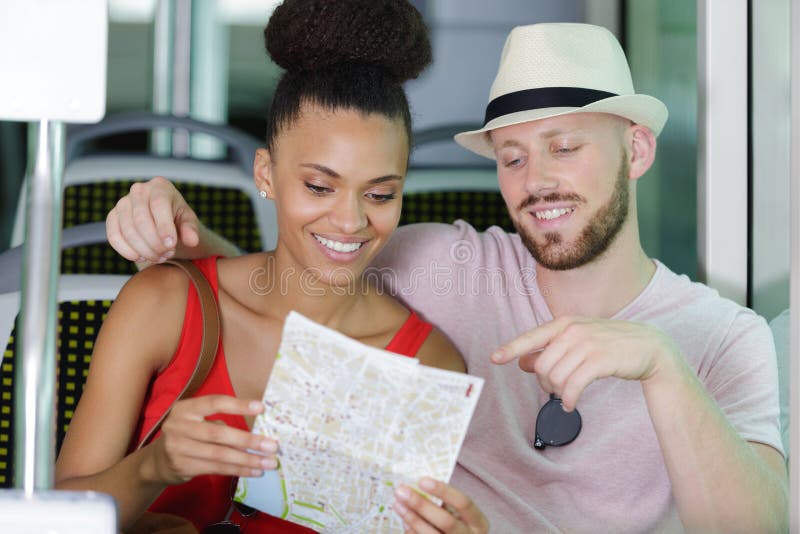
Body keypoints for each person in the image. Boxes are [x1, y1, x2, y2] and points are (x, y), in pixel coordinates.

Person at [106, 22, 788, 532]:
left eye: (566, 147)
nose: (538, 180)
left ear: (635, 149)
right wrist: (181, 236)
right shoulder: (439, 263)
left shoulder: (725, 336)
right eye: (512, 157)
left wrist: (662, 366)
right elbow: (309, 267)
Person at [54, 1, 486, 533]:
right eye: (319, 186)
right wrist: (152, 467)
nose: (350, 221)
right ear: (266, 173)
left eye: (379, 193)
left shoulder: (428, 367)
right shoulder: (164, 303)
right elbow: (54, 517)